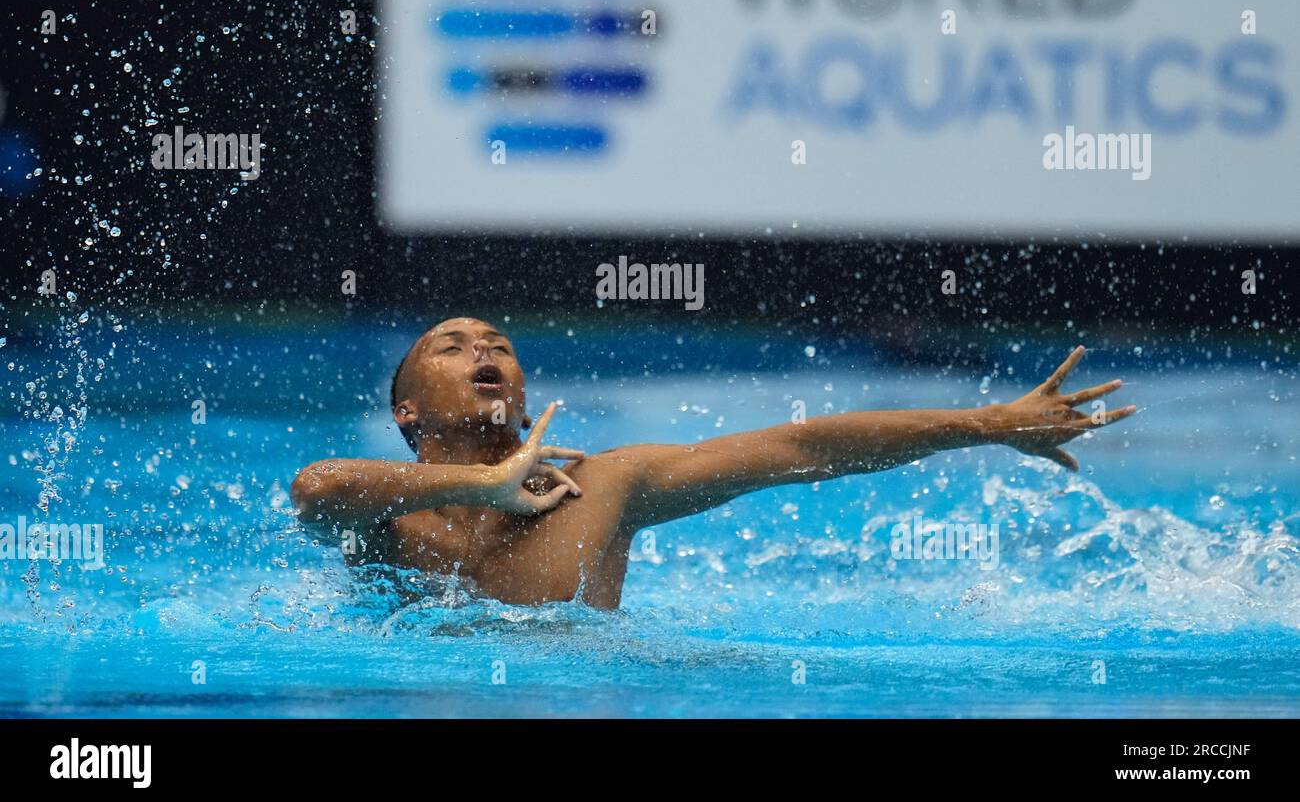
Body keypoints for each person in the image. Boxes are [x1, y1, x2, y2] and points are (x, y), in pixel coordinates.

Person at [292, 317, 1135, 608]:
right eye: (454, 345)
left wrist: (988, 421)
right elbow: (317, 489)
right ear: (406, 408)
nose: (486, 351)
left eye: (500, 346)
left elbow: (798, 448)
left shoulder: (604, 486)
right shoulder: (382, 510)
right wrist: (485, 483)